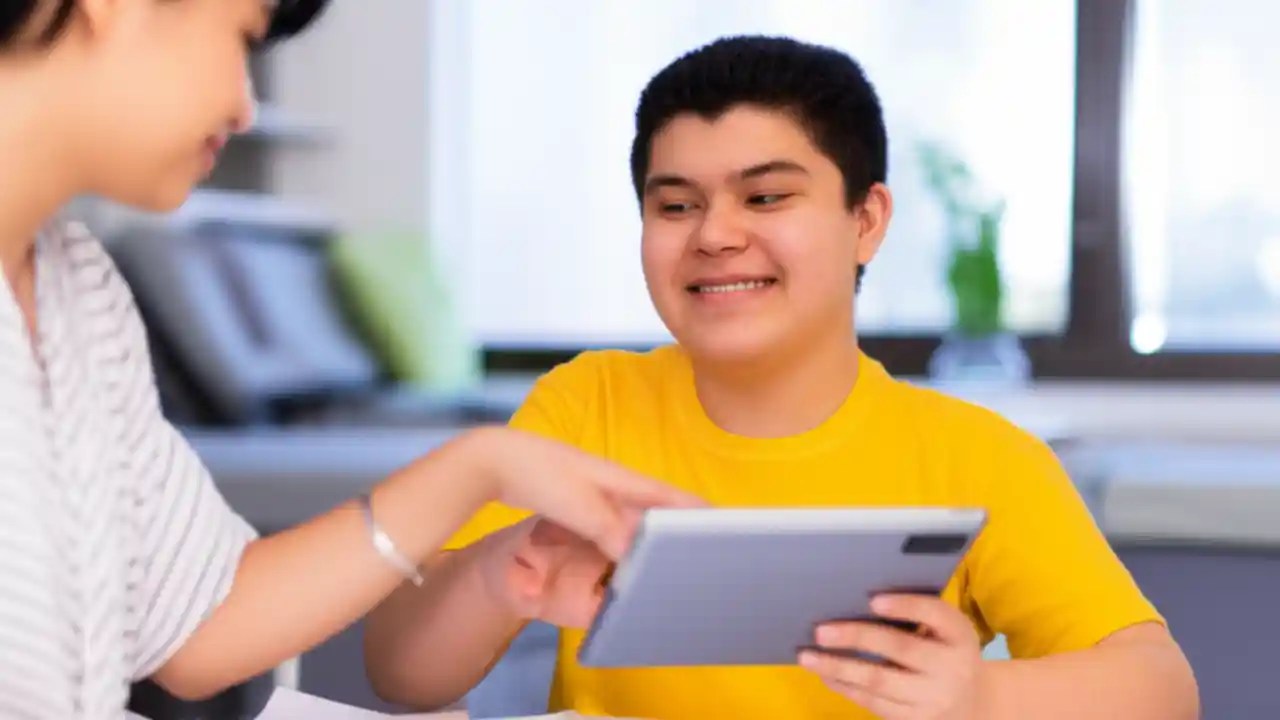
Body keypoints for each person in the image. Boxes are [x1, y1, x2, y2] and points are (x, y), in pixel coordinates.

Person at [364, 35, 1200, 720]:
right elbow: (402, 677)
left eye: (765, 199)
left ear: (866, 221)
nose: (715, 236)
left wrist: (982, 694)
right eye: (676, 205)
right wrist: (496, 571)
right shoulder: (589, 405)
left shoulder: (977, 456)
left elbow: (1162, 690)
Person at [0, 2, 702, 717]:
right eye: (243, 40)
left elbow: (199, 626)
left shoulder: (77, 289)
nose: (244, 107)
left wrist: (483, 466)